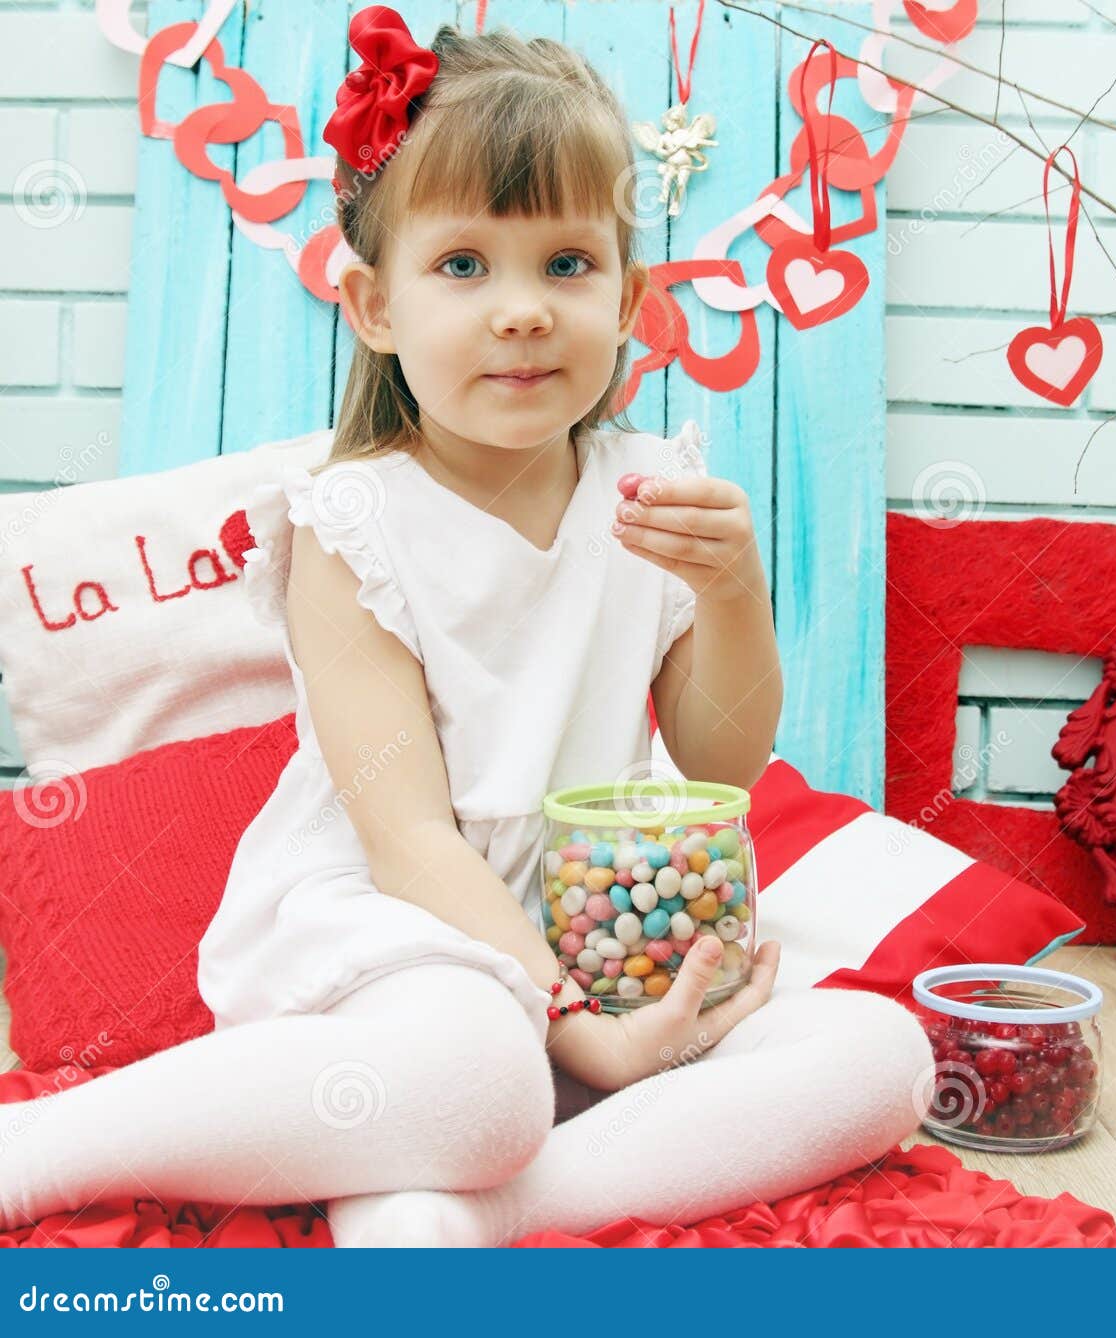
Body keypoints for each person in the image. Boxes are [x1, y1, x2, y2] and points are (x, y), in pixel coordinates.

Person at [0, 8, 934, 1247]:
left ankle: (470, 1207)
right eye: (462, 267)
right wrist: (576, 1031)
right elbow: (411, 841)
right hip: (404, 932)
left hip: (608, 922)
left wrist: (731, 595)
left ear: (630, 296)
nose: (522, 311)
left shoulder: (647, 489)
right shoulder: (351, 527)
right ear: (373, 305)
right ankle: (38, 1153)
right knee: (479, 1071)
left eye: (565, 265)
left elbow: (717, 767)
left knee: (881, 1054)